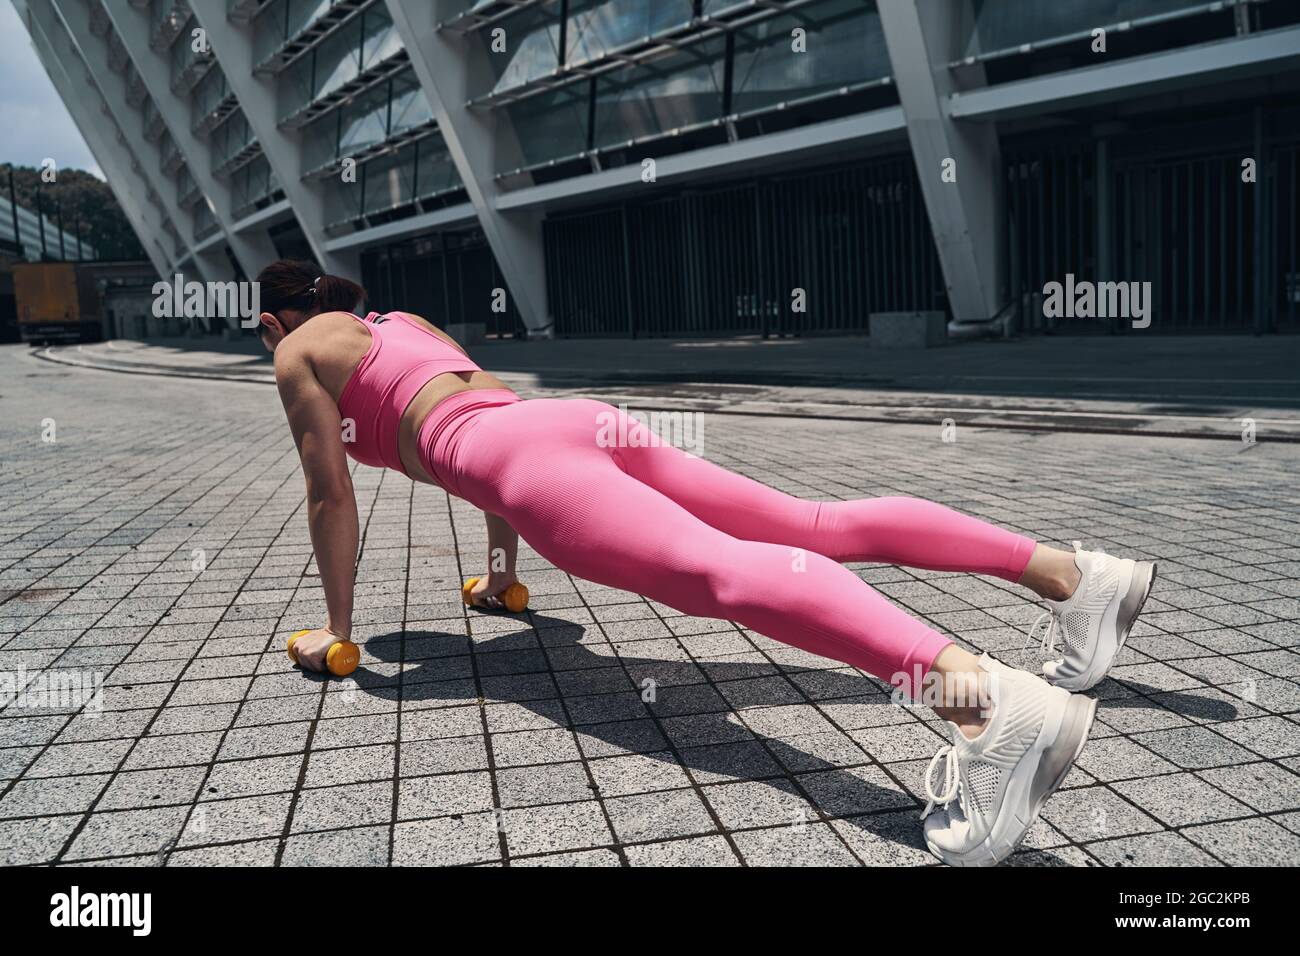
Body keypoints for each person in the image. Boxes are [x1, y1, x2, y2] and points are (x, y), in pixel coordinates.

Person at [255, 259, 1155, 866]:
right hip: (568, 421)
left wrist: (336, 632)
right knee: (813, 523)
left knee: (720, 572)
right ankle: (1075, 578)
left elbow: (332, 494)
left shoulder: (297, 352)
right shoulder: (401, 323)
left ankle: (987, 705)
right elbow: (475, 420)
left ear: (271, 322)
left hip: (524, 462)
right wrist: (499, 575)